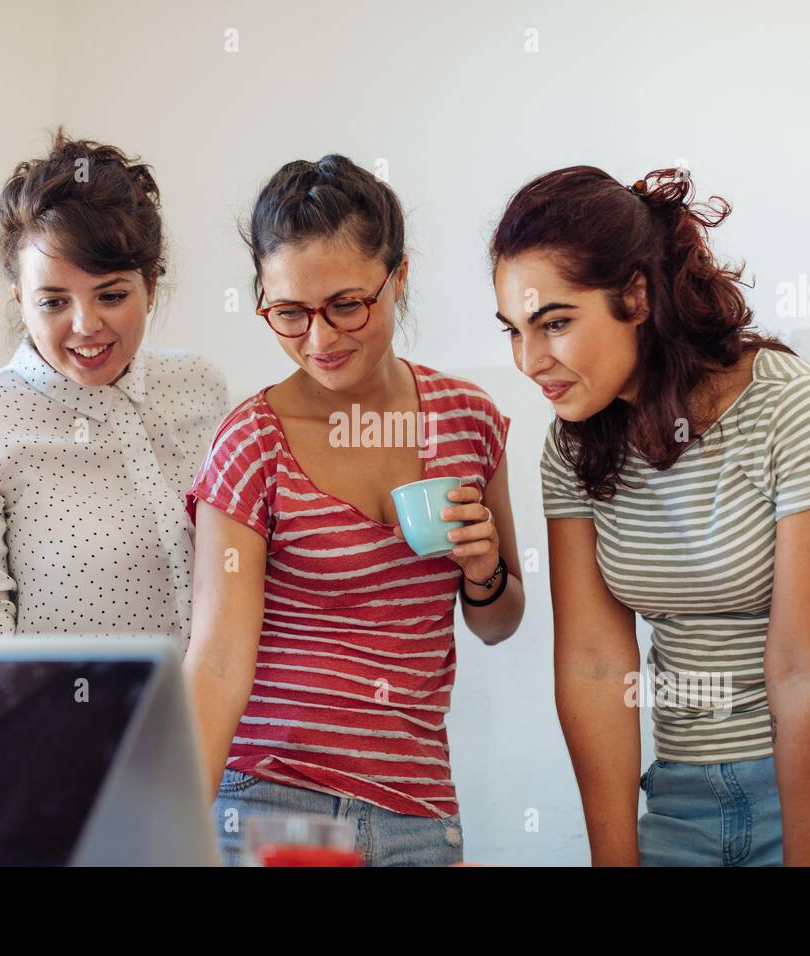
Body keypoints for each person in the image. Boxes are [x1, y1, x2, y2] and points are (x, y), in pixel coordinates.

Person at [492, 165, 810, 866]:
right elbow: (596, 667)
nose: (530, 361)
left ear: (637, 295)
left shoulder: (792, 408)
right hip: (686, 801)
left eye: (555, 323)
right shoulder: (573, 445)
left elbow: (806, 672)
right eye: (513, 331)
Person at [184, 155, 524, 866]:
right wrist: (171, 829)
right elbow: (216, 663)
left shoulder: (469, 420)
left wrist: (485, 569)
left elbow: (497, 622)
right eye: (288, 313)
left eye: (346, 305)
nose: (320, 339)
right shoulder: (252, 443)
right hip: (274, 803)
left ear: (398, 277)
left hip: (420, 814)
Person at [0, 130, 227, 640]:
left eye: (111, 295)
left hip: (221, 718)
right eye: (54, 302)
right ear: (20, 300)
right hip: (57, 719)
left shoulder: (201, 387)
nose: (85, 325)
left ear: (149, 285)